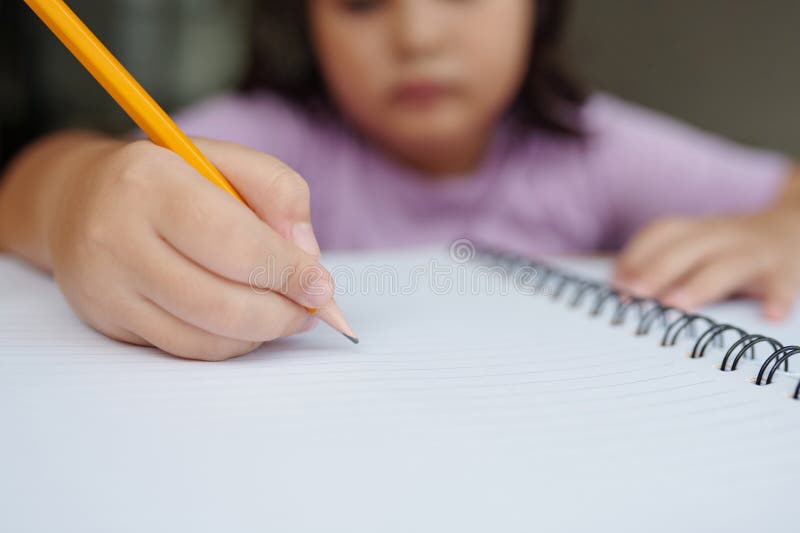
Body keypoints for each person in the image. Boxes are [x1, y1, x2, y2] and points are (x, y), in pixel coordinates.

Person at [1, 0, 798, 361]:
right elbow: (22, 190)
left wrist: (776, 231)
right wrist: (79, 196)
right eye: (360, 2)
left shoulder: (592, 147)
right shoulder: (268, 135)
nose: (417, 34)